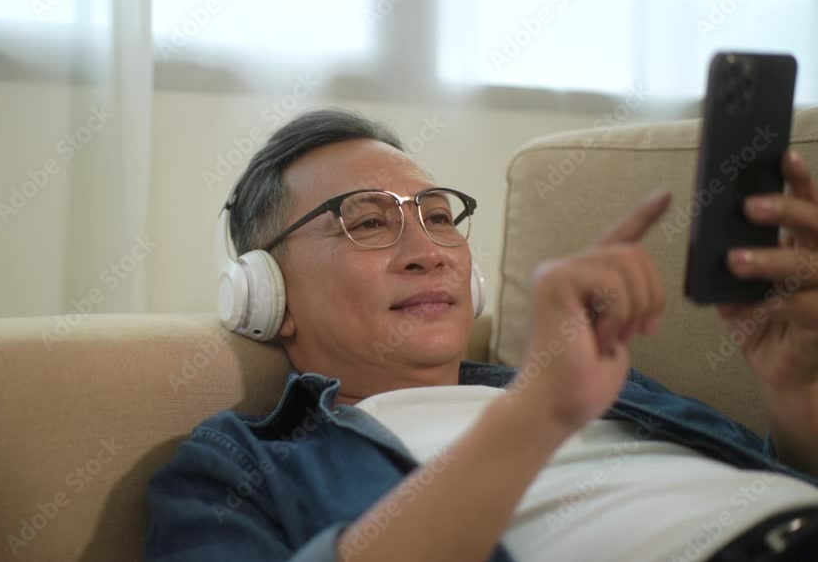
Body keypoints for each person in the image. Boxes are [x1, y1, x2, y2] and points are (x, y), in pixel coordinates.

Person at [145, 109, 818, 562]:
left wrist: (795, 396)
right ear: (266, 292)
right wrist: (534, 417)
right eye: (368, 223)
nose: (429, 251)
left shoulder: (604, 383)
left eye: (439, 217)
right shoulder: (241, 465)